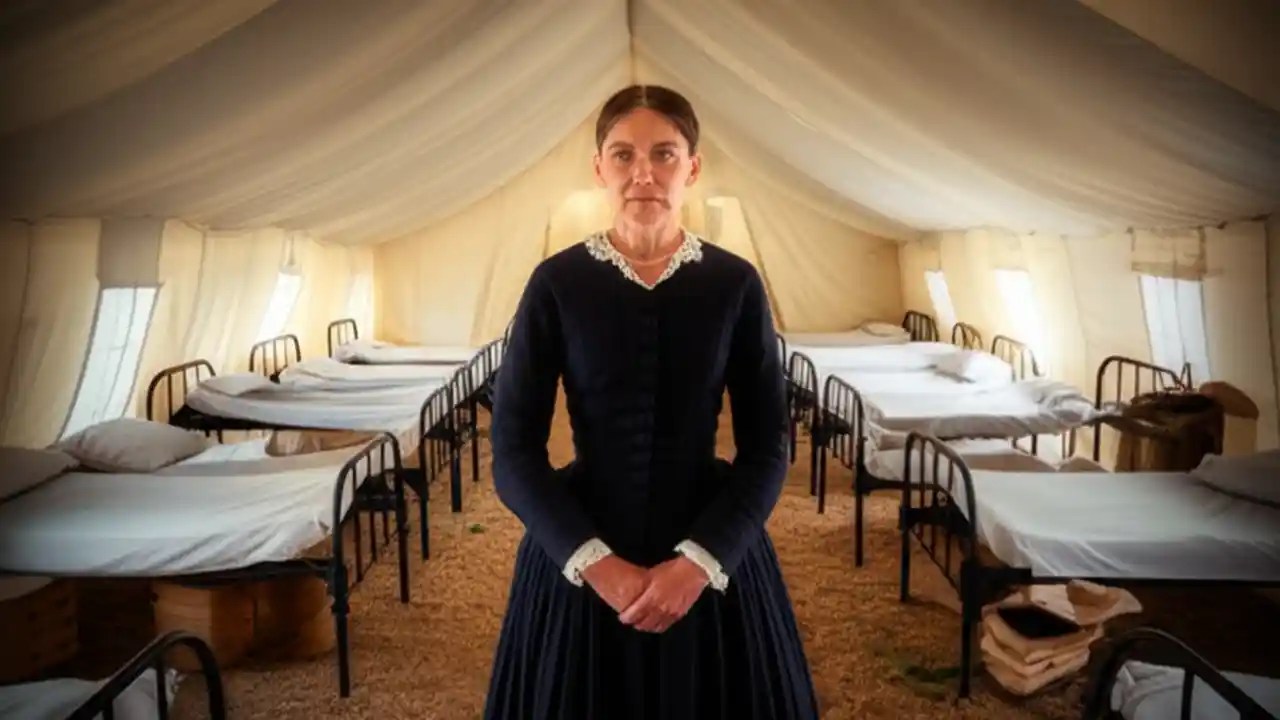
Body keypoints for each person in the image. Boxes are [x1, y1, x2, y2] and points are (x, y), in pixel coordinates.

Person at [484, 84, 819, 719]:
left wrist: (698, 565)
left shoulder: (735, 284)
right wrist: (595, 565)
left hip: (707, 554)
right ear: (599, 169)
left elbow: (768, 449)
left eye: (664, 154)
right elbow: (512, 451)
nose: (644, 173)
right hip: (583, 553)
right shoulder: (556, 283)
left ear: (692, 167)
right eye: (623, 155)